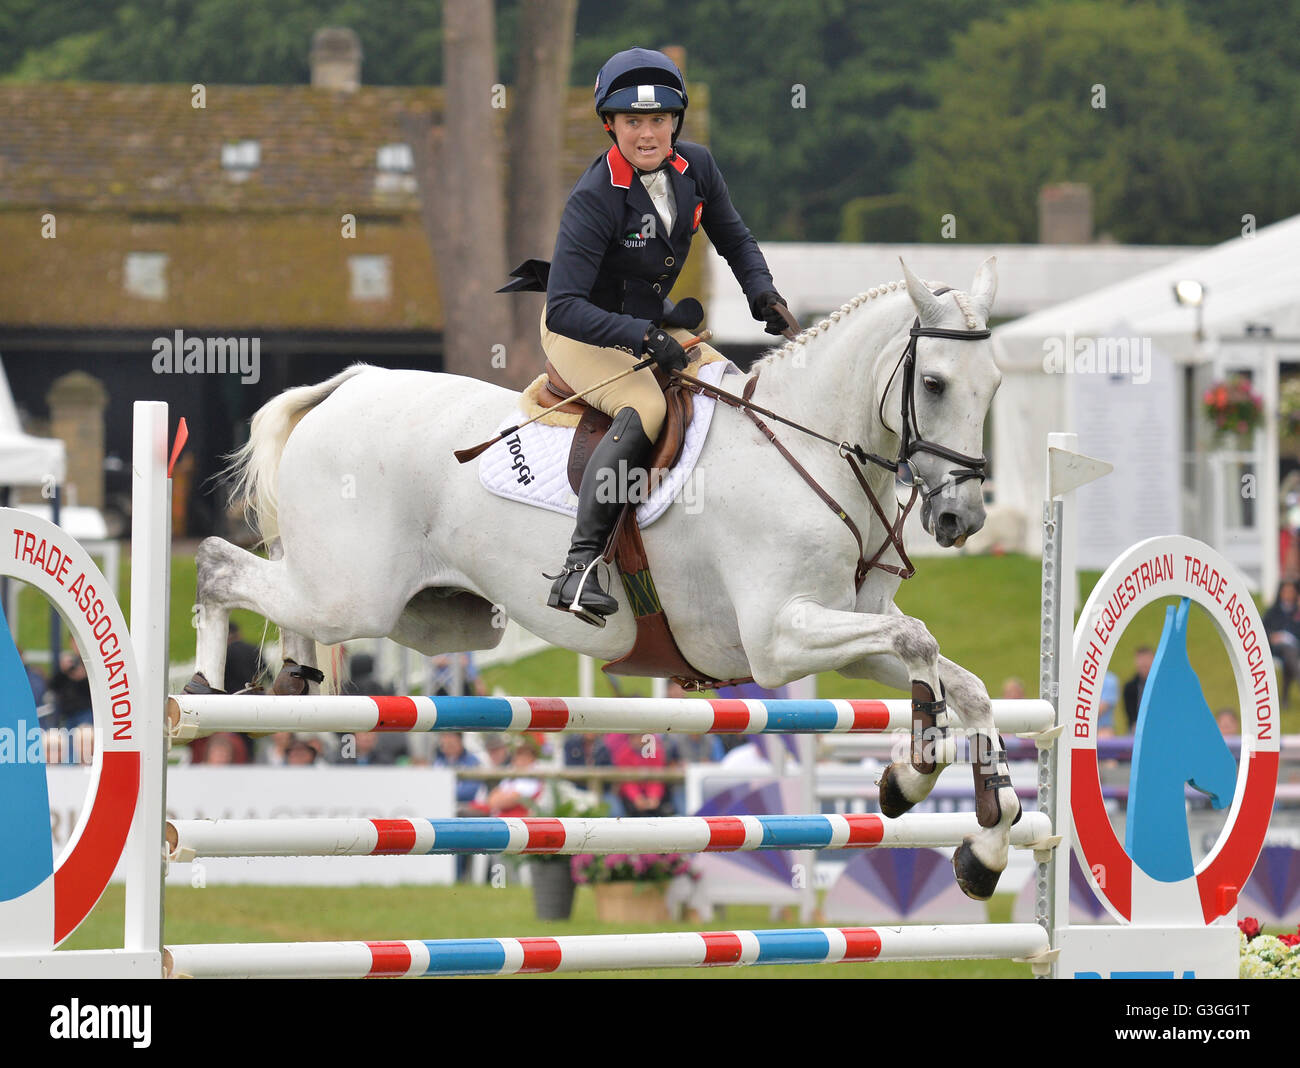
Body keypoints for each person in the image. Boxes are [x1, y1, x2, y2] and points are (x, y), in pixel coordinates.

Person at [516, 47, 789, 626]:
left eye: (659, 120)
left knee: (729, 386)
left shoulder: (697, 168)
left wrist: (762, 293)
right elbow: (564, 307)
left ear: (676, 123)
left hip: (645, 317)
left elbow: (735, 239)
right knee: (643, 405)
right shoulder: (595, 197)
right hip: (582, 327)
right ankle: (579, 565)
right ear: (610, 125)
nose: (647, 133)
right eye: (633, 121)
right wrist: (644, 337)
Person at [1264, 580, 1300, 709]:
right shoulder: (1273, 611)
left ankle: (1284, 699)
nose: (1288, 594)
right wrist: (1272, 636)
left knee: (1289, 656)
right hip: (1275, 647)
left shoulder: (1297, 611)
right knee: (1288, 653)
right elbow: (1263, 629)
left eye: (1291, 591)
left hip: (1295, 648)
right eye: (1286, 591)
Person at [1122, 646, 1154, 733]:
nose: (1144, 664)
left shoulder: (1163, 685)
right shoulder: (1130, 687)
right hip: (1136, 728)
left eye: (1146, 661)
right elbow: (1130, 715)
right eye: (1141, 661)